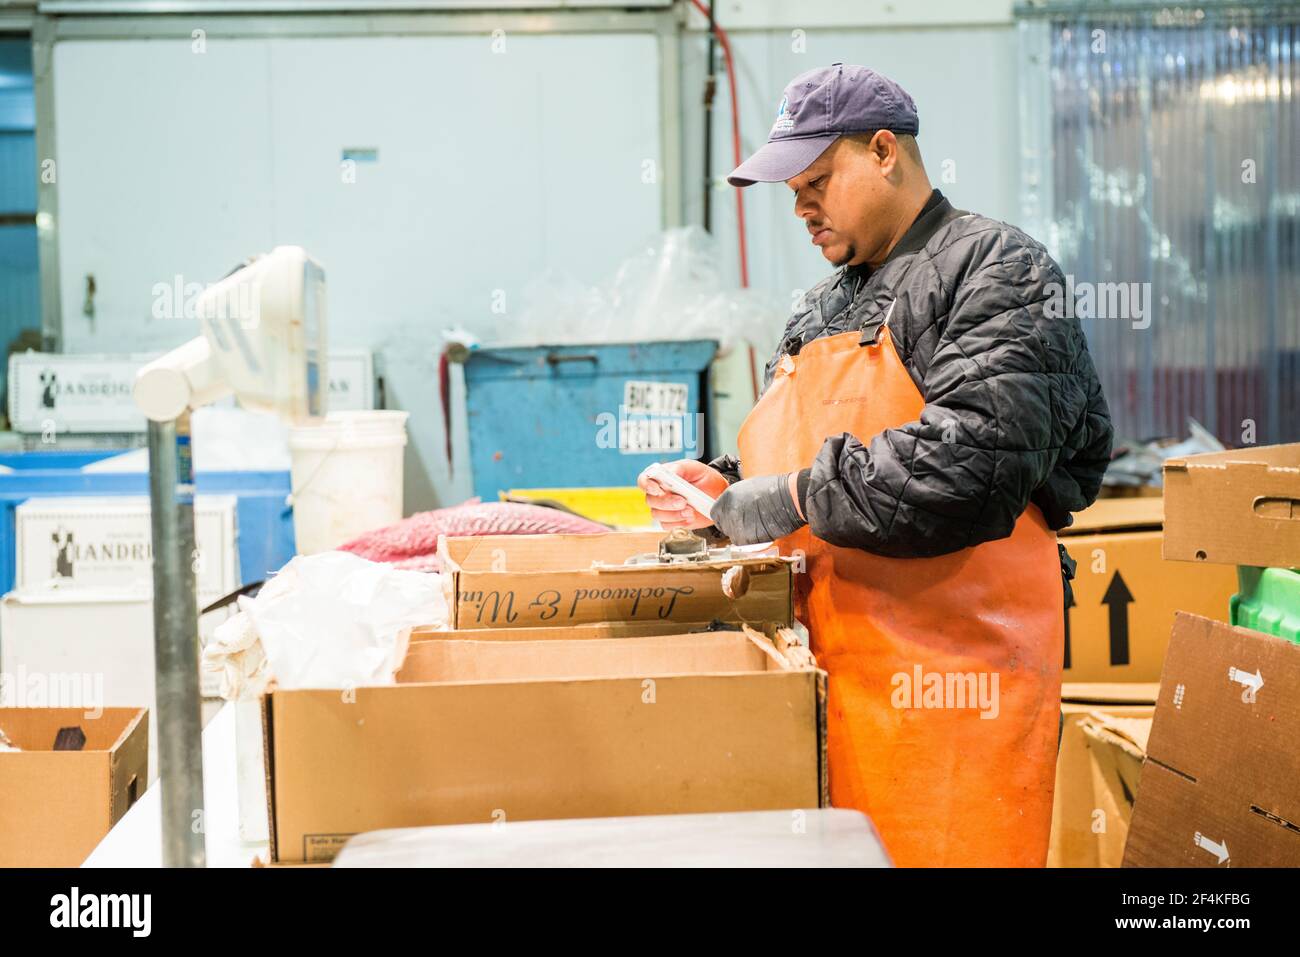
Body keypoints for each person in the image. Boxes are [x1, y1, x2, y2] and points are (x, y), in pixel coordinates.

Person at [640, 64, 1113, 867]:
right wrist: (719, 481)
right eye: (790, 189)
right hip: (827, 688)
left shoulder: (997, 270)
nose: (799, 207)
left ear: (885, 150)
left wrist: (783, 496)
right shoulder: (820, 308)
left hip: (956, 694)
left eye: (815, 180)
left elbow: (970, 466)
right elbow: (797, 454)